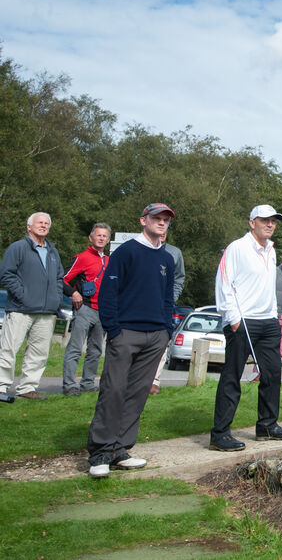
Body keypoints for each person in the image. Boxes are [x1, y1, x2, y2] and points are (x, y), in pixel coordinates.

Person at [86, 203, 177, 478]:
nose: (161, 223)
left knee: (137, 392)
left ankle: (119, 449)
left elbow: (167, 298)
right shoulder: (126, 252)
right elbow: (108, 293)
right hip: (126, 332)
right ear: (143, 220)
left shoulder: (167, 259)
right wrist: (114, 329)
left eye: (165, 220)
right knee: (113, 390)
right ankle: (101, 452)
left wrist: (166, 331)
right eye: (156, 218)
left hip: (155, 336)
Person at [209, 205, 282, 451]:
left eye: (273, 221)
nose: (270, 224)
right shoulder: (236, 248)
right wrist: (234, 319)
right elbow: (224, 284)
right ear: (252, 222)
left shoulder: (271, 250)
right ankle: (220, 433)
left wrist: (273, 316)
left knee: (272, 375)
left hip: (268, 321)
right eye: (264, 220)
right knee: (232, 376)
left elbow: (267, 287)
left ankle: (267, 425)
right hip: (242, 320)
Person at [0, 212, 66, 402]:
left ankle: (28, 387)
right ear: (29, 226)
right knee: (9, 349)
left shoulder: (53, 251)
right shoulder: (18, 248)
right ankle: (2, 385)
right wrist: (23, 296)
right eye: (39, 223)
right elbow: (7, 275)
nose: (43, 226)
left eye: (46, 223)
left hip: (46, 311)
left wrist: (55, 297)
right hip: (21, 309)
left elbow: (59, 278)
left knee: (39, 352)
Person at [61, 223, 112, 396]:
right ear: (91, 238)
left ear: (108, 240)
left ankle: (88, 383)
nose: (101, 238)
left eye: (104, 236)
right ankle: (69, 385)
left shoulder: (108, 261)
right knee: (75, 348)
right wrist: (73, 293)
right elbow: (62, 279)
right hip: (84, 308)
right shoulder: (81, 257)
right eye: (98, 235)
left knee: (96, 350)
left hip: (102, 311)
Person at [149, 233, 186, 395]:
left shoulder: (175, 252)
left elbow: (179, 278)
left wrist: (172, 297)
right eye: (158, 221)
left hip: (164, 306)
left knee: (162, 341)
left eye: (166, 224)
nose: (162, 231)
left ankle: (154, 381)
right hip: (140, 303)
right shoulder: (137, 248)